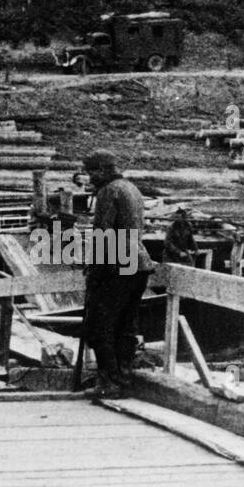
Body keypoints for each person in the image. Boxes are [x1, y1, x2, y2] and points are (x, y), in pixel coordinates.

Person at [81, 150, 153, 398]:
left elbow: (103, 235)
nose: (89, 178)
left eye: (91, 172)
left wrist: (95, 272)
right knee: (126, 324)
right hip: (139, 263)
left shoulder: (107, 191)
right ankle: (124, 376)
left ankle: (108, 382)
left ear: (102, 169)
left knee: (100, 326)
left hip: (117, 266)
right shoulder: (131, 188)